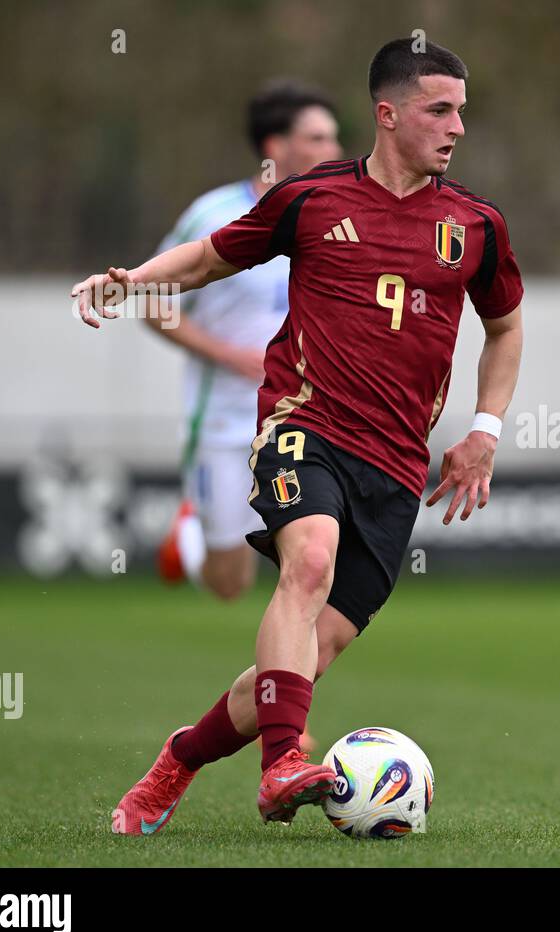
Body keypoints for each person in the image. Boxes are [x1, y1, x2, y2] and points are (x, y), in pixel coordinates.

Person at [74, 38, 525, 834]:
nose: (458, 127)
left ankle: (178, 758)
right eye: (439, 110)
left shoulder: (476, 224)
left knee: (298, 667)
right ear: (388, 114)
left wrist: (484, 428)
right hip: (302, 425)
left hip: (395, 470)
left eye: (462, 110)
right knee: (307, 556)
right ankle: (283, 763)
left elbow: (506, 325)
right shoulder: (312, 199)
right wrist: (132, 280)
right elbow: (212, 259)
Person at [147, 81, 341, 603]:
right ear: (276, 148)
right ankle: (191, 536)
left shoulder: (341, 217)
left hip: (305, 420)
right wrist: (230, 356)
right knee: (229, 584)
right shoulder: (214, 215)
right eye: (318, 138)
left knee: (314, 559)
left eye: (334, 138)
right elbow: (154, 305)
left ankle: (288, 672)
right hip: (226, 421)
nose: (334, 151)